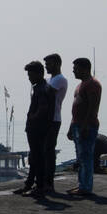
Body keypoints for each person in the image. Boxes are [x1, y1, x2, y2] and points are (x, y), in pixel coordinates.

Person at [16, 61, 55, 197]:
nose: (29, 78)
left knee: (37, 157)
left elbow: (43, 108)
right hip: (40, 128)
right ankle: (30, 184)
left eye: (31, 75)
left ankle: (39, 186)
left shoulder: (42, 89)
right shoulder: (43, 87)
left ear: (39, 73)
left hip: (38, 129)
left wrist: (32, 118)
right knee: (34, 157)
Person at [67, 57, 102, 196]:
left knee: (86, 157)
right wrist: (71, 126)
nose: (74, 71)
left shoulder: (92, 84)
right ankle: (82, 185)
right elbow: (76, 107)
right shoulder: (80, 85)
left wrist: (86, 126)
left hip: (86, 126)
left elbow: (93, 107)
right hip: (77, 124)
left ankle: (86, 187)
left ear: (85, 69)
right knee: (81, 158)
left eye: (76, 68)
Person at [43, 53, 69, 192]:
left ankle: (49, 182)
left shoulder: (60, 79)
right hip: (45, 119)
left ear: (57, 64)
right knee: (43, 151)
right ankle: (43, 180)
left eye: (49, 64)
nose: (47, 67)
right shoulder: (49, 79)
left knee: (49, 151)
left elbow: (46, 92)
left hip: (53, 118)